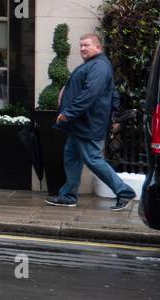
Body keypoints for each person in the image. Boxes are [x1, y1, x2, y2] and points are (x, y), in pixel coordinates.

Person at [47, 32, 136, 210]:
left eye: (86, 45)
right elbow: (109, 93)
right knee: (71, 156)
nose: (82, 48)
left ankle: (124, 191)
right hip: (80, 124)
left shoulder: (99, 66)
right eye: (81, 46)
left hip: (87, 123)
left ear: (98, 47)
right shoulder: (93, 65)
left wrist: (69, 112)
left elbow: (90, 93)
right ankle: (68, 196)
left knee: (93, 159)